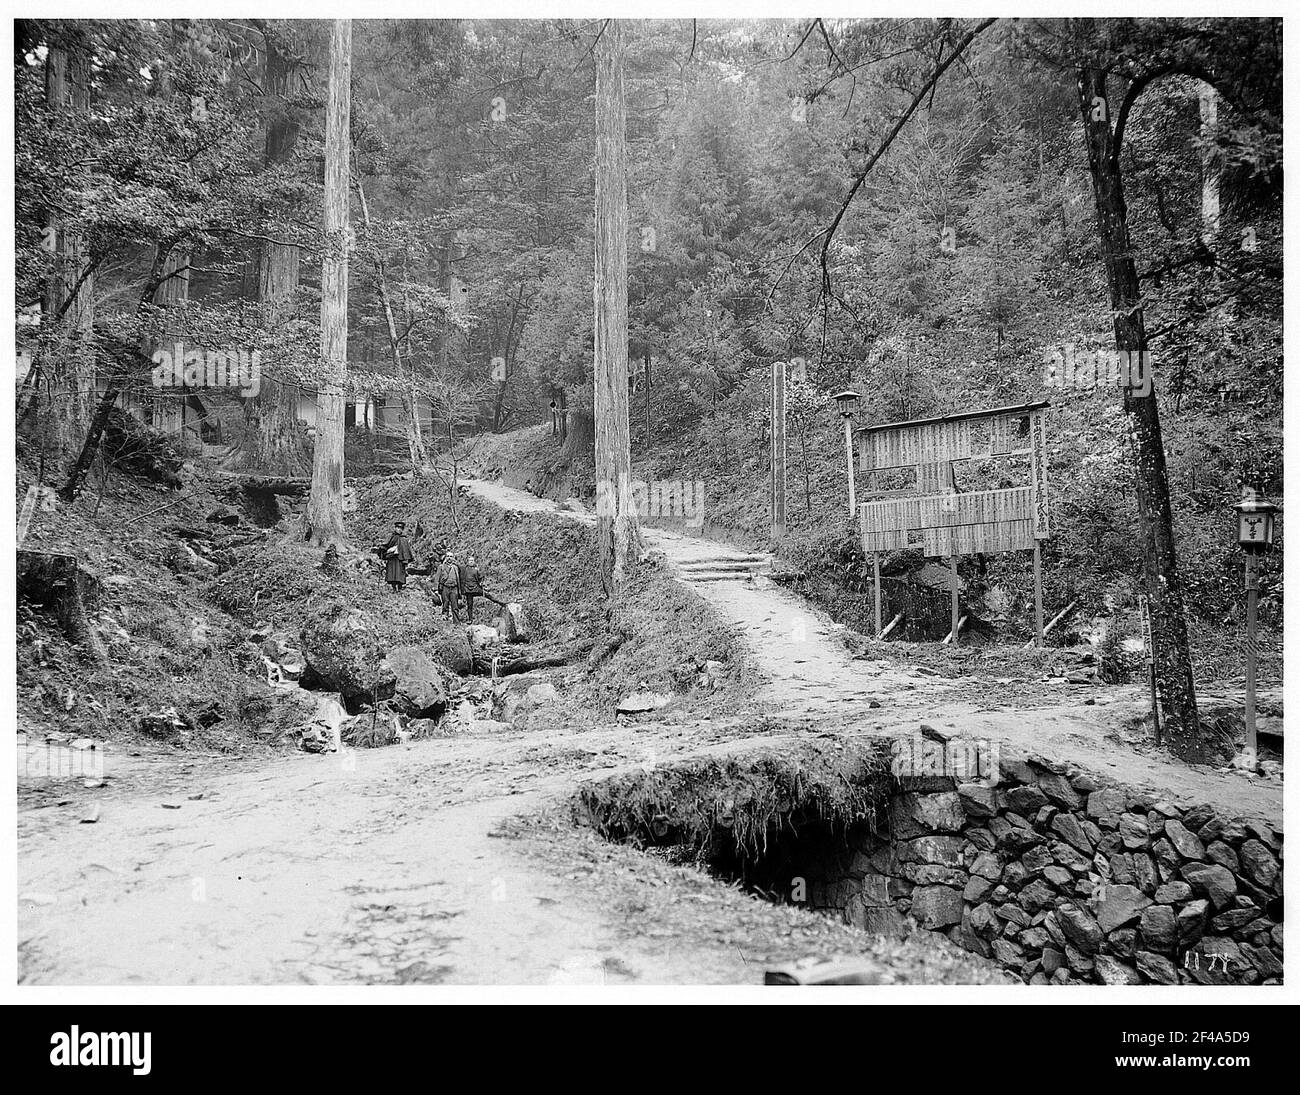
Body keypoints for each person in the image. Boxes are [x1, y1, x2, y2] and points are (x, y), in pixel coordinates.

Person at [382, 521, 415, 592]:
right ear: (395, 528)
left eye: (401, 528)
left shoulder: (404, 539)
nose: (399, 530)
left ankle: (400, 588)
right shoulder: (391, 536)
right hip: (392, 558)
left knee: (400, 574)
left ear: (402, 530)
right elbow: (385, 545)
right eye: (398, 528)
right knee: (392, 573)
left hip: (400, 559)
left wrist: (406, 560)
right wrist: (383, 552)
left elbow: (406, 551)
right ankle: (393, 588)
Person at [458, 555, 485, 622]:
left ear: (474, 562)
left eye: (472, 561)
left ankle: (499, 601)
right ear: (467, 561)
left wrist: (481, 583)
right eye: (470, 560)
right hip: (468, 589)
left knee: (487, 594)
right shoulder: (464, 569)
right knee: (469, 604)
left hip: (476, 588)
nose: (471, 562)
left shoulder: (476, 570)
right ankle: (470, 619)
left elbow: (481, 577)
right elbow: (458, 566)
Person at [437, 551, 462, 622]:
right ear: (445, 557)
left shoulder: (456, 567)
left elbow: (459, 579)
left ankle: (456, 622)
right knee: (445, 604)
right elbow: (437, 578)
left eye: (451, 556)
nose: (449, 558)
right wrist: (436, 589)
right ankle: (445, 621)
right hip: (445, 587)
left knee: (455, 606)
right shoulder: (441, 567)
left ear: (453, 558)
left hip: (454, 588)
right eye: (448, 556)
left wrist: (460, 590)